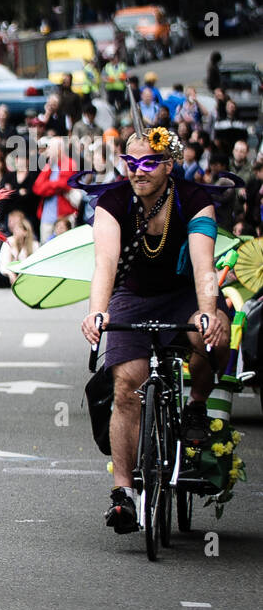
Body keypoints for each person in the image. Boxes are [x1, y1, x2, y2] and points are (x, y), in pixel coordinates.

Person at [82, 121, 229, 536]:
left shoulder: (195, 200)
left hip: (183, 293)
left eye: (149, 162)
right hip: (131, 295)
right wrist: (97, 312)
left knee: (211, 333)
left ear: (169, 164)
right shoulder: (113, 201)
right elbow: (105, 264)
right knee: (128, 384)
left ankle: (197, 403)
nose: (138, 170)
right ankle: (123, 494)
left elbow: (204, 267)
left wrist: (206, 311)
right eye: (131, 162)